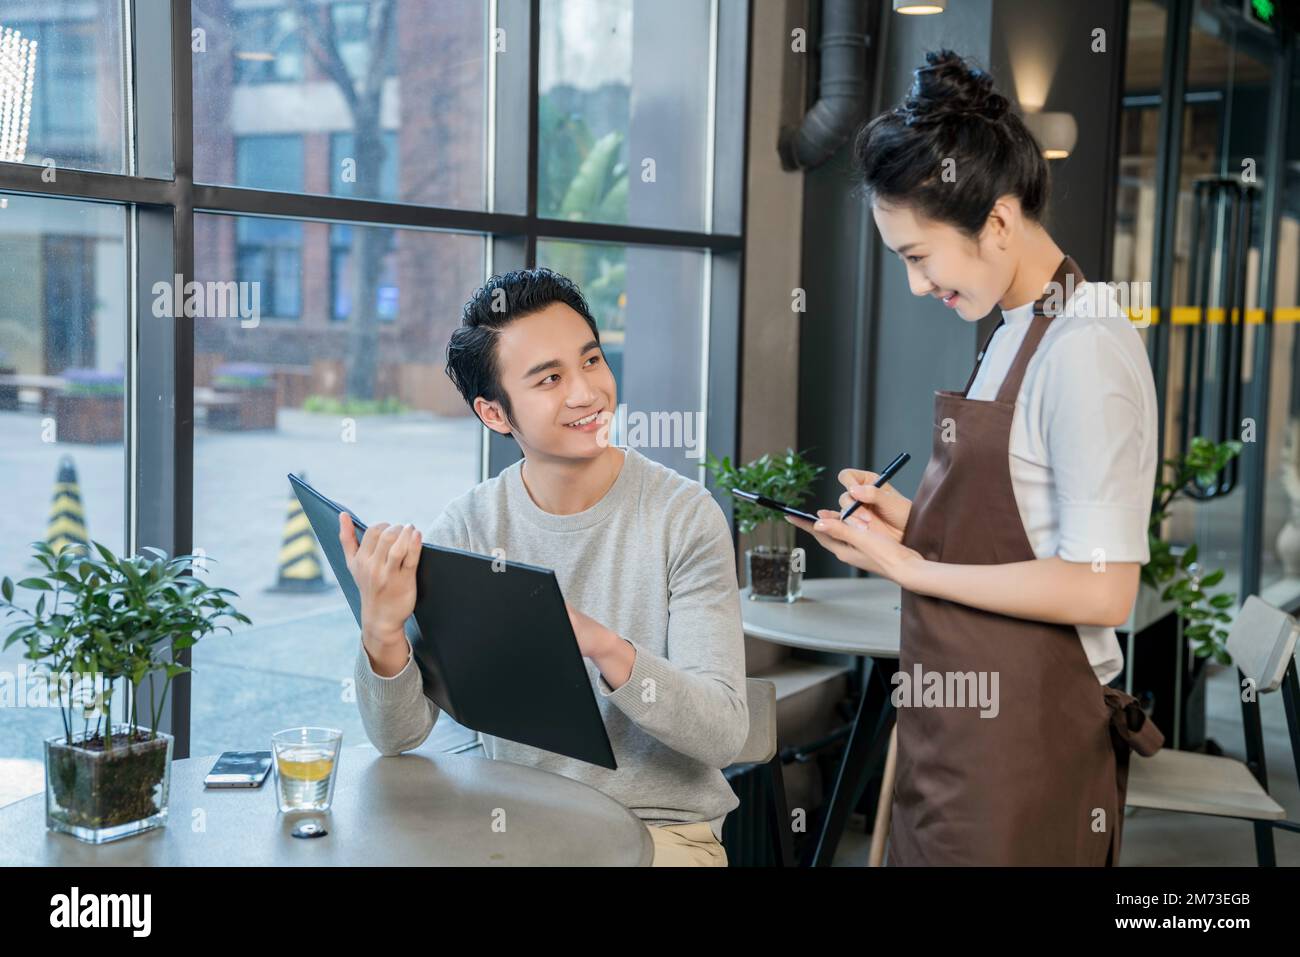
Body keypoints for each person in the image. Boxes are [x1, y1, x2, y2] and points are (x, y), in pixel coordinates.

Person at [785, 50, 1165, 866]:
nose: (917, 286)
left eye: (920, 257)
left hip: (1026, 742)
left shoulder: (1085, 349)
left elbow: (1102, 586)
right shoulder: (1014, 330)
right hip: (957, 725)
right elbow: (1023, 530)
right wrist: (909, 522)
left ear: (997, 221)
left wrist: (914, 568)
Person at [341, 266, 748, 866]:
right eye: (549, 378)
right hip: (514, 831)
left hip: (662, 832)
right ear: (495, 414)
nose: (586, 392)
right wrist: (380, 633)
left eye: (590, 361)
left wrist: (601, 645)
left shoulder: (684, 516)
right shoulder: (472, 526)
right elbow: (398, 737)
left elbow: (722, 733)